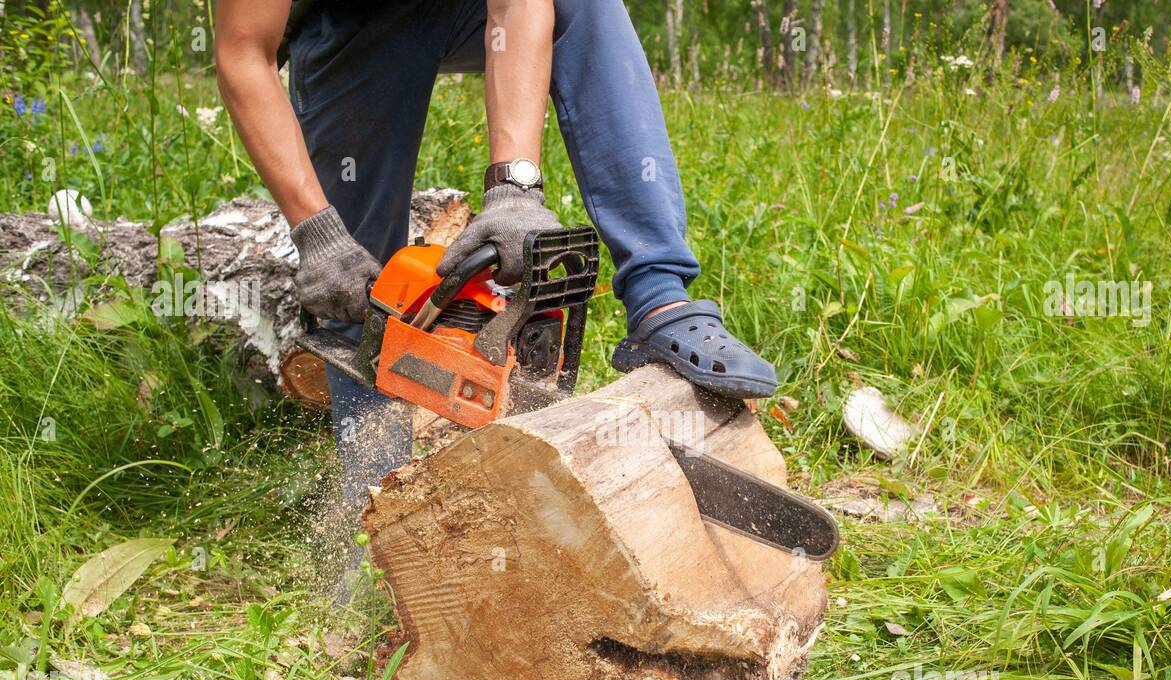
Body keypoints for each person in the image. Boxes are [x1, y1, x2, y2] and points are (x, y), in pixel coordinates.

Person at [214, 0, 777, 509]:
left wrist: (514, 190)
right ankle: (373, 511)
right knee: (353, 289)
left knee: (586, 4)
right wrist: (317, 232)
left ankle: (659, 297)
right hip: (348, 29)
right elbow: (243, 50)